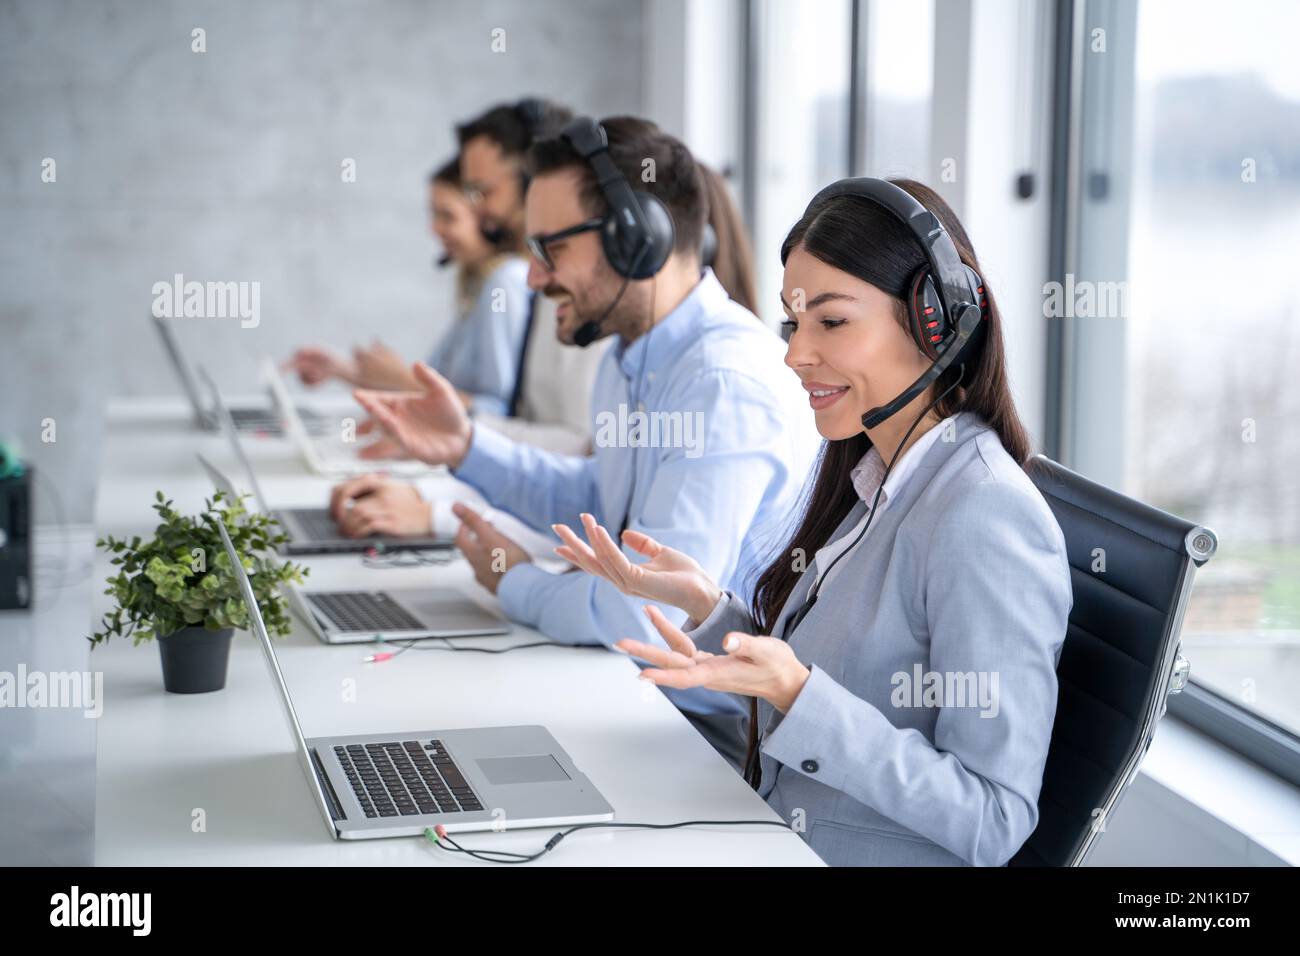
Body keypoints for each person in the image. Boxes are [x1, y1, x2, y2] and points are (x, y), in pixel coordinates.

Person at [551, 178, 1072, 866]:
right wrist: (709, 609)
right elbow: (823, 686)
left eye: (831, 322)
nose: (795, 354)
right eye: (794, 324)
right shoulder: (873, 479)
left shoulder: (983, 515)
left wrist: (798, 695)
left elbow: (992, 818)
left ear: (935, 321)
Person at [341, 116, 821, 768]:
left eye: (552, 251)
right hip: (640, 704)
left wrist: (515, 584)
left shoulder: (723, 385)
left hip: (711, 747)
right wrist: (464, 448)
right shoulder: (632, 357)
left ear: (636, 240)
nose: (533, 279)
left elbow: (641, 612)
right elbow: (601, 502)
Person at [285, 159, 531, 415]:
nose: (434, 229)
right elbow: (439, 397)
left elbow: (497, 412)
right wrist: (341, 370)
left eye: (447, 216)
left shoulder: (505, 282)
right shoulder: (476, 289)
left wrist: (400, 379)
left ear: (487, 218)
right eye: (433, 215)